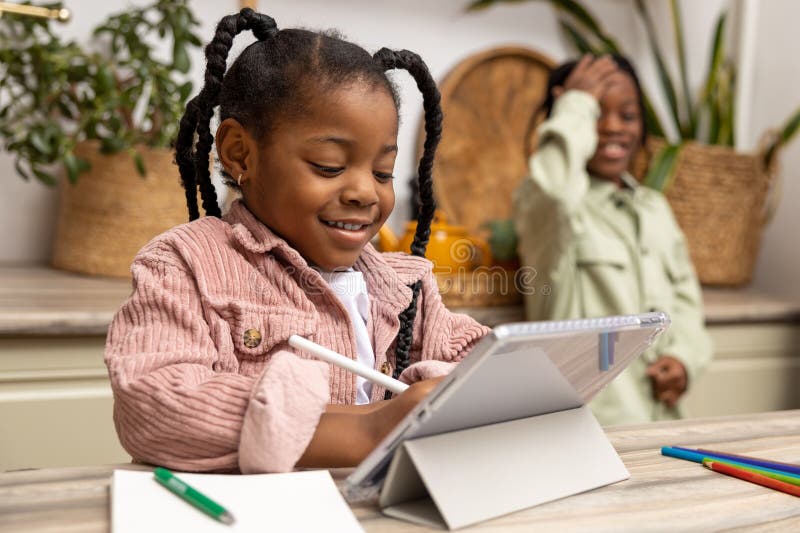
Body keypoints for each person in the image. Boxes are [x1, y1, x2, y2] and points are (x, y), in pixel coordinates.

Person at [104, 8, 490, 474]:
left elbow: (481, 365)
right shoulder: (185, 265)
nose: (365, 192)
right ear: (240, 153)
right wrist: (371, 429)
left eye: (382, 172)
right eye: (329, 166)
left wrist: (455, 386)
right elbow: (154, 405)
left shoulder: (404, 288)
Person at [513, 54, 712, 425]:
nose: (612, 127)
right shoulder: (548, 205)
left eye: (628, 115)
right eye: (596, 113)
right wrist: (577, 103)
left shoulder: (655, 209)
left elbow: (687, 302)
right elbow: (554, 188)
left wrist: (684, 359)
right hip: (590, 428)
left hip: (664, 424)